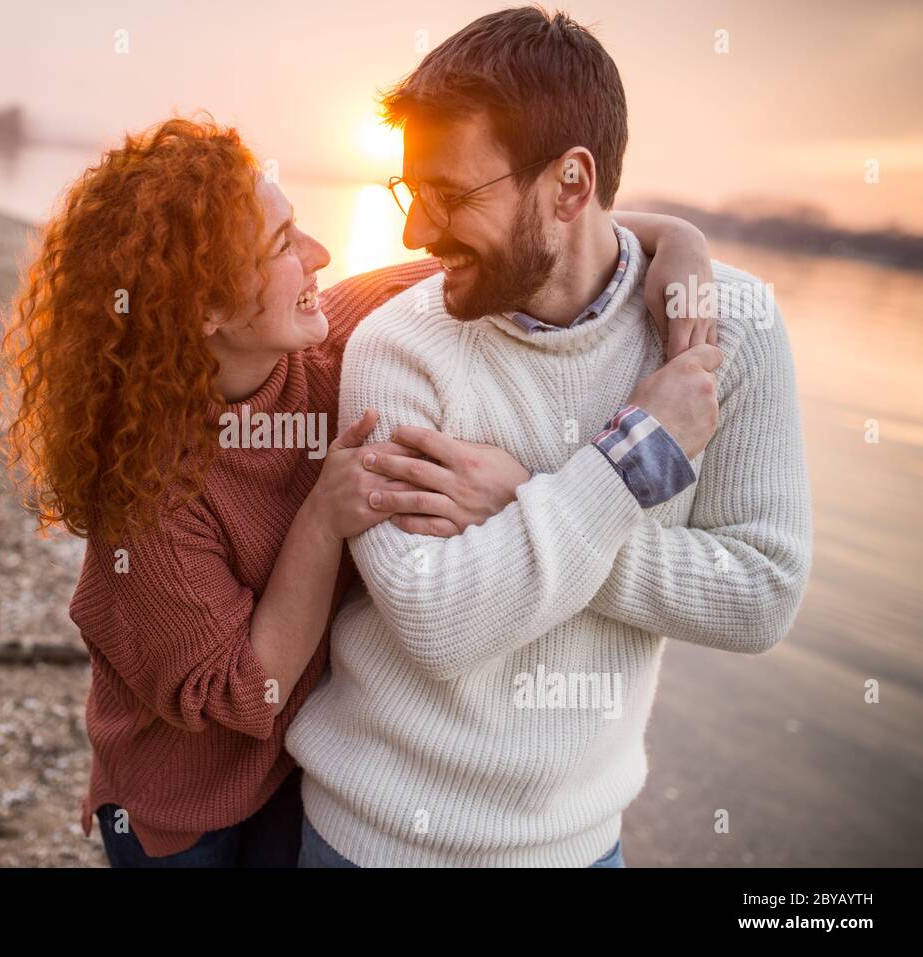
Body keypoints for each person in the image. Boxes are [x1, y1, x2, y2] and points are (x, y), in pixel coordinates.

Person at [0, 114, 717, 867]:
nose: (320, 254)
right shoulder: (145, 495)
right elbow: (250, 693)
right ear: (202, 309)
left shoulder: (340, 336)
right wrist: (321, 516)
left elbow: (523, 244)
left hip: (296, 767)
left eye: (297, 226)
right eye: (282, 246)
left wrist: (676, 240)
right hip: (181, 806)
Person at [286, 7, 813, 868]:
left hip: (578, 847)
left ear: (571, 184)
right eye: (407, 192)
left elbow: (761, 593)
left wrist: (522, 492)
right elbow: (439, 623)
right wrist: (627, 462)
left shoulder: (733, 328)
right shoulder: (397, 346)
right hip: (369, 837)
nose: (415, 232)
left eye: (450, 196)